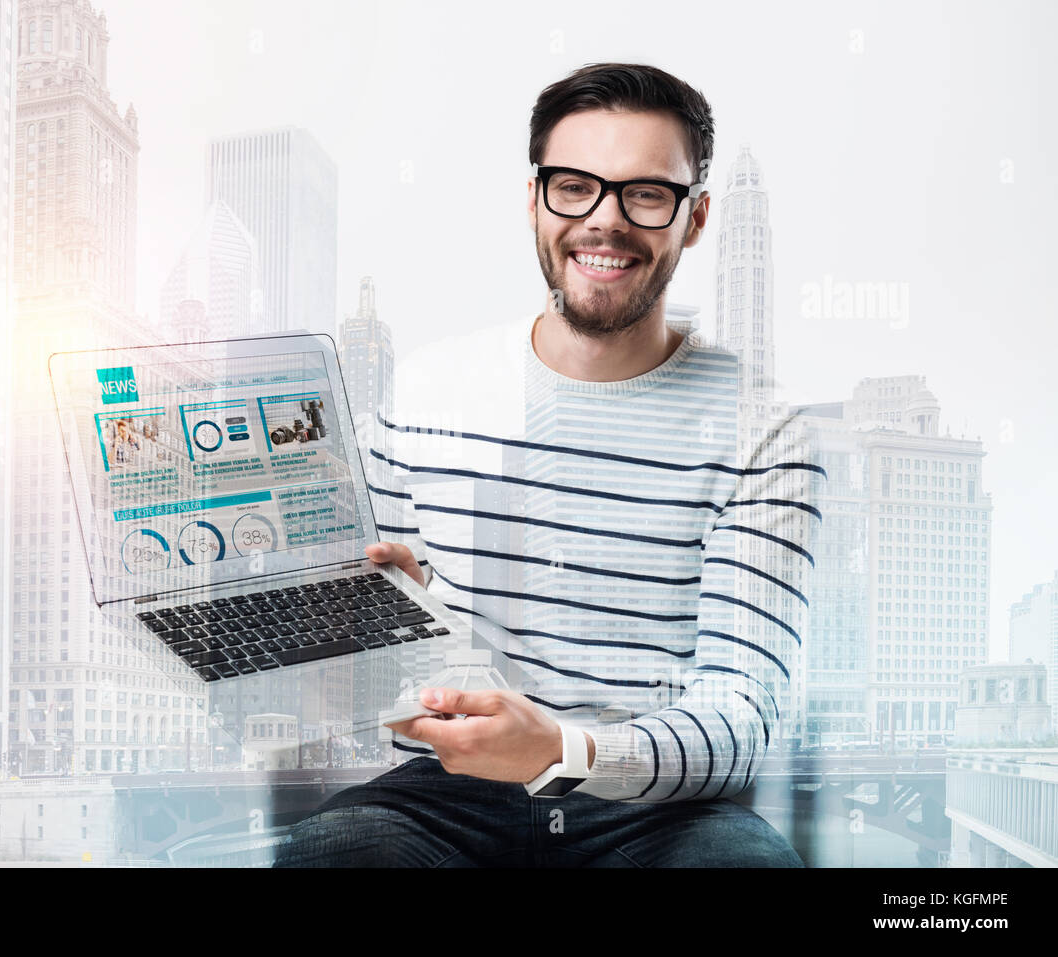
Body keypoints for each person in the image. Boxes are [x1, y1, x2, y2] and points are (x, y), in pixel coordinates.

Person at [274, 62, 824, 867]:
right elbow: (374, 675)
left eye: (644, 193)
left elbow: (739, 719)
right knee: (331, 855)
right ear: (534, 199)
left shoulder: (764, 433)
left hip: (659, 807)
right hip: (443, 795)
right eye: (575, 185)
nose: (605, 221)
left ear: (695, 217)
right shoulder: (427, 388)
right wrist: (385, 622)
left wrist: (566, 750)